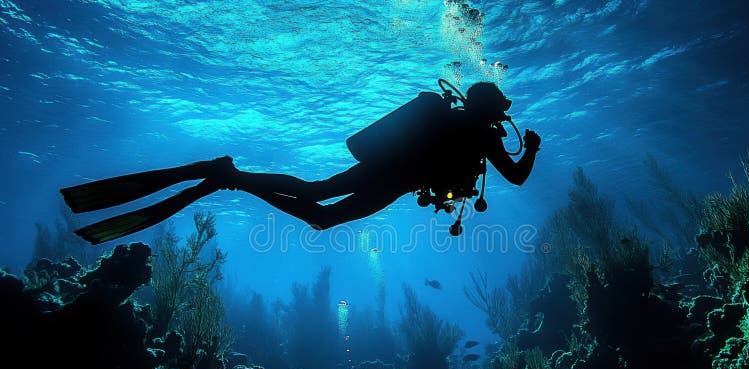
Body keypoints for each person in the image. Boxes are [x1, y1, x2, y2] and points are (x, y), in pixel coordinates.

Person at [61, 81, 541, 244]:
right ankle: (230, 177)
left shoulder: (461, 124)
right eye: (501, 107)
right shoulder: (479, 134)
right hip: (394, 177)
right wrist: (533, 149)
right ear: (487, 107)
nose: (505, 114)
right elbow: (516, 178)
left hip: (389, 172)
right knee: (319, 210)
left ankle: (229, 175)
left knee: (316, 199)